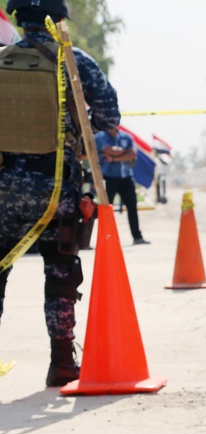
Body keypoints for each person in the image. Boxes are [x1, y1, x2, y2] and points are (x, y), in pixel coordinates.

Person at [0, 0, 120, 386]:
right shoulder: (73, 61)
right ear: (59, 19)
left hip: (2, 188)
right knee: (61, 273)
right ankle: (62, 363)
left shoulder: (1, 60)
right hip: (56, 189)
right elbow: (109, 116)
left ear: (17, 18)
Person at [93, 127, 148, 245]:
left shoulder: (126, 136)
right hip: (108, 177)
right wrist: (125, 152)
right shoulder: (100, 137)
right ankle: (106, 238)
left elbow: (133, 153)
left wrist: (114, 158)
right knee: (106, 209)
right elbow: (108, 149)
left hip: (126, 177)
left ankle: (137, 237)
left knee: (132, 206)